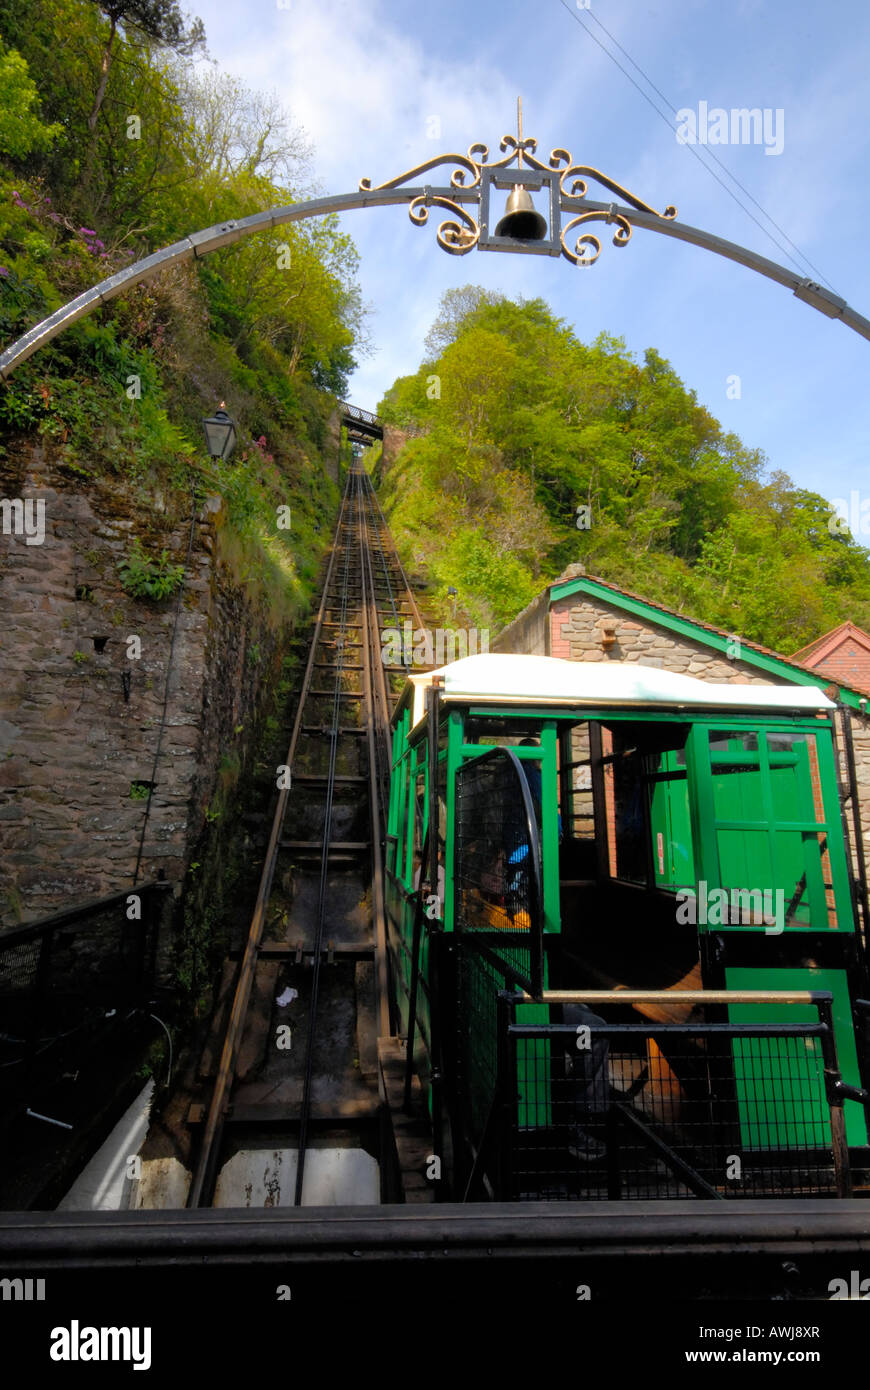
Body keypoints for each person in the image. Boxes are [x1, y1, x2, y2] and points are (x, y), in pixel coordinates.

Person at [561, 1002, 610, 1161]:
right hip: (536, 1003)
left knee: (590, 1020)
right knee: (595, 1027)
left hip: (553, 999)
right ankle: (577, 1117)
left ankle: (585, 1112)